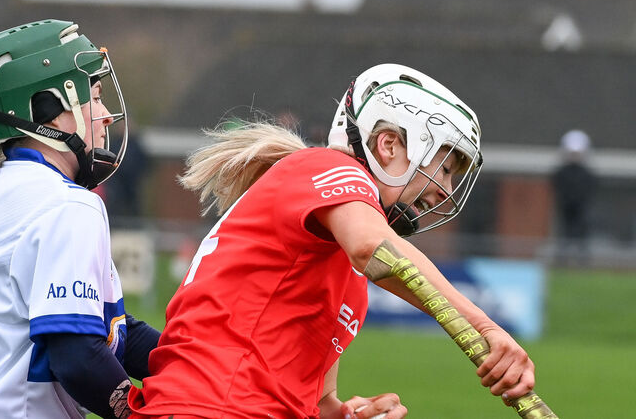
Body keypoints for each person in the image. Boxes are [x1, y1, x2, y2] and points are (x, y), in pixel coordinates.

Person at [128, 64, 536, 419]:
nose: (443, 190)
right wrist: (485, 327)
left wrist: (345, 414)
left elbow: (318, 401)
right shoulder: (331, 167)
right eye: (443, 168)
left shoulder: (344, 266)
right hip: (215, 408)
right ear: (389, 144)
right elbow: (373, 247)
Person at [0, 19, 159, 419]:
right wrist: (148, 413)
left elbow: (107, 326)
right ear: (52, 113)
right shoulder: (67, 205)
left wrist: (191, 359)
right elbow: (77, 356)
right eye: (96, 96)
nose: (106, 116)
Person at [551, 129, 597, 265]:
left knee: (581, 235)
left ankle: (582, 261)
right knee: (564, 235)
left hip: (582, 214)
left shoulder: (588, 175)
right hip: (565, 211)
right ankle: (562, 260)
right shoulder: (561, 173)